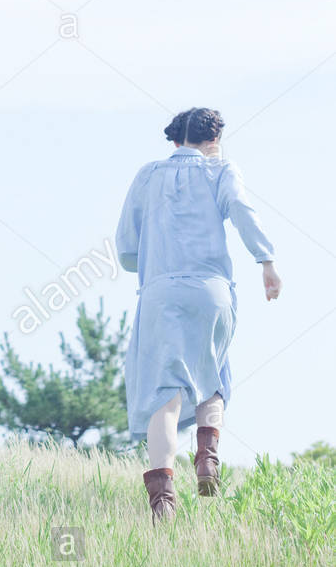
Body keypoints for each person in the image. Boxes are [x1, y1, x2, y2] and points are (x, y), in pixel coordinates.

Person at [116, 108, 281, 524]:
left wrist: (155, 261)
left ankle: (164, 501)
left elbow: (126, 249)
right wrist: (266, 261)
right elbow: (242, 211)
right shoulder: (220, 170)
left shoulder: (147, 176)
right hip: (210, 291)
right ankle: (207, 459)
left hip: (159, 293)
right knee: (214, 372)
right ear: (213, 140)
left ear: (175, 140)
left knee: (164, 396)